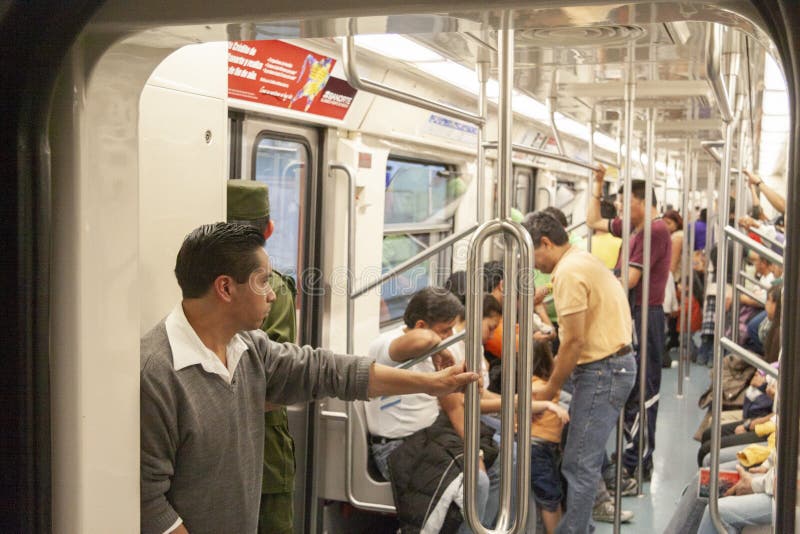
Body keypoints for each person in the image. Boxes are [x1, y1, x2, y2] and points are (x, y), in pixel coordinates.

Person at [140, 223, 479, 534]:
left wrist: (432, 384)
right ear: (226, 288)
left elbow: (328, 371)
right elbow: (149, 501)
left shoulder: (247, 346)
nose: (272, 295)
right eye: (263, 282)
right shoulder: (157, 372)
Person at [523, 211, 636, 534]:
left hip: (603, 372)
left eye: (534, 255)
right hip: (611, 366)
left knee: (579, 464)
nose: (534, 266)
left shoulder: (569, 273)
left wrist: (549, 389)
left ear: (545, 243)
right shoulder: (579, 261)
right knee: (577, 451)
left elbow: (573, 341)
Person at [587, 166, 672, 486]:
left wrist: (596, 281)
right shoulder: (635, 229)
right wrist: (597, 182)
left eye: (624, 204)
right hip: (632, 313)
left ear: (640, 202)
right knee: (631, 387)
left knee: (644, 390)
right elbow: (594, 221)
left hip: (644, 315)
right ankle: (633, 455)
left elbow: (630, 280)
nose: (620, 210)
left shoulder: (654, 231)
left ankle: (640, 461)